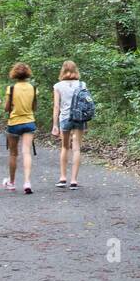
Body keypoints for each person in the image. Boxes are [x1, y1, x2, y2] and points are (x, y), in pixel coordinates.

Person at [2, 63, 37, 194]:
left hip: (14, 123)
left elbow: (7, 108)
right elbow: (34, 107)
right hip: (29, 122)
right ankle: (27, 182)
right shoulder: (33, 88)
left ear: (14, 73)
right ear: (28, 73)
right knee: (26, 152)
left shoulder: (11, 89)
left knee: (13, 153)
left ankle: (11, 182)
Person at [52, 60, 86, 190]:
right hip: (79, 118)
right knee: (76, 148)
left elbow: (56, 106)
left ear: (63, 70)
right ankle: (74, 181)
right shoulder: (82, 84)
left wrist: (55, 124)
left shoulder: (58, 86)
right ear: (75, 70)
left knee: (65, 147)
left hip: (65, 118)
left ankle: (62, 178)